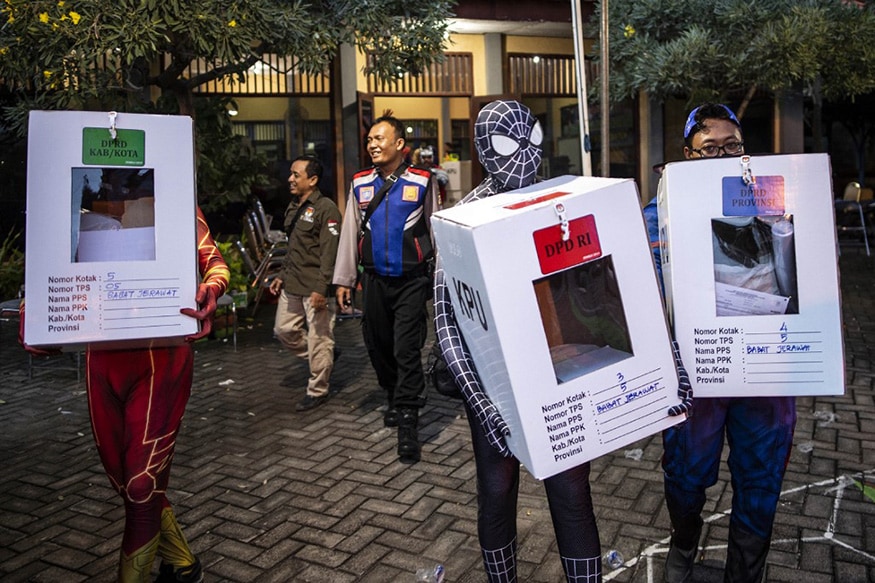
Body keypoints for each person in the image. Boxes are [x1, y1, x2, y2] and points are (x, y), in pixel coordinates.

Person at [433, 100, 604, 582]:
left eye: (532, 140)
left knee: (572, 489)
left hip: (559, 367)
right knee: (496, 486)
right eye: (509, 143)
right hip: (493, 377)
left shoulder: (562, 203)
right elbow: (446, 320)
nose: (524, 156)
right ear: (485, 150)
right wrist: (480, 399)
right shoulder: (464, 217)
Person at [21, 208, 229, 583]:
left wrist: (211, 289)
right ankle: (183, 565)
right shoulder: (75, 205)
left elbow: (215, 263)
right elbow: (45, 268)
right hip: (102, 358)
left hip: (161, 356)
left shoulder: (172, 193)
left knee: (141, 485)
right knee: (123, 479)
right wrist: (36, 310)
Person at [643, 103, 796, 583]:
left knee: (762, 474)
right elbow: (645, 285)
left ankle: (745, 570)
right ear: (688, 155)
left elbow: (801, 276)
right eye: (709, 148)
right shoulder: (660, 212)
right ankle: (684, 545)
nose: (723, 155)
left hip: (765, 367)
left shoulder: (773, 200)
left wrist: (787, 225)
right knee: (687, 472)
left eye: (732, 146)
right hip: (699, 370)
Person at [333, 110, 440, 464]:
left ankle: (408, 418)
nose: (372, 144)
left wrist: (439, 278)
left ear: (399, 144)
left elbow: (434, 230)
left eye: (380, 138)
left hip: (412, 279)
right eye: (369, 140)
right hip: (374, 279)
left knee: (406, 347)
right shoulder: (360, 183)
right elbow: (350, 231)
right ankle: (393, 391)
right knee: (378, 344)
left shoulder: (424, 182)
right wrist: (345, 279)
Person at [269, 155, 342, 412]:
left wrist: (322, 289)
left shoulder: (326, 208)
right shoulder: (294, 206)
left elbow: (330, 253)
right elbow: (293, 248)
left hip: (314, 288)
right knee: (283, 330)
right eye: (291, 173)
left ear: (312, 180)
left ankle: (318, 390)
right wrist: (281, 275)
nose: (290, 179)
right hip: (293, 283)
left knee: (320, 338)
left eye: (296, 175)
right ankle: (324, 356)